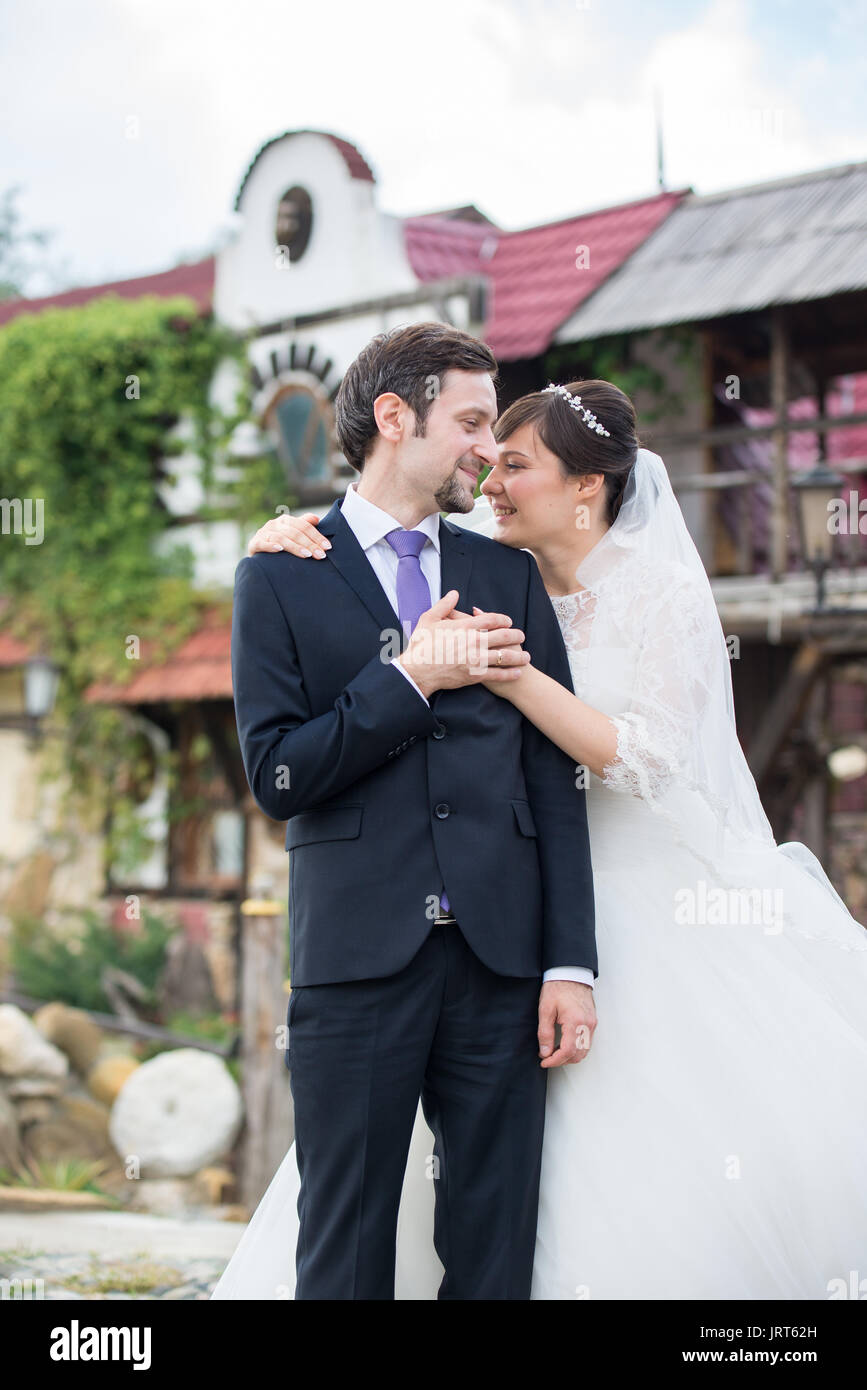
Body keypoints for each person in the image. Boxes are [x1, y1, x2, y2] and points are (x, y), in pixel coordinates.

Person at [215, 371, 867, 1300]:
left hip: (585, 912)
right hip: (423, 928)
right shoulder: (476, 556)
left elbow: (632, 765)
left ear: (586, 485)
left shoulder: (621, 592)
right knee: (365, 1213)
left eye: (512, 459)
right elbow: (363, 548)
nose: (488, 476)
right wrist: (280, 535)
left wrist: (516, 680)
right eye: (478, 438)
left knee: (565, 1198)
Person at [224, 324, 597, 1301]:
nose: (488, 445)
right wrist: (410, 677)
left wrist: (569, 961)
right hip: (354, 961)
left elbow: (556, 779)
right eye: (472, 420)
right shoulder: (278, 572)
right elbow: (277, 776)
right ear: (397, 416)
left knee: (494, 1250)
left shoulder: (512, 574)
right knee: (345, 1250)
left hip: (503, 963)